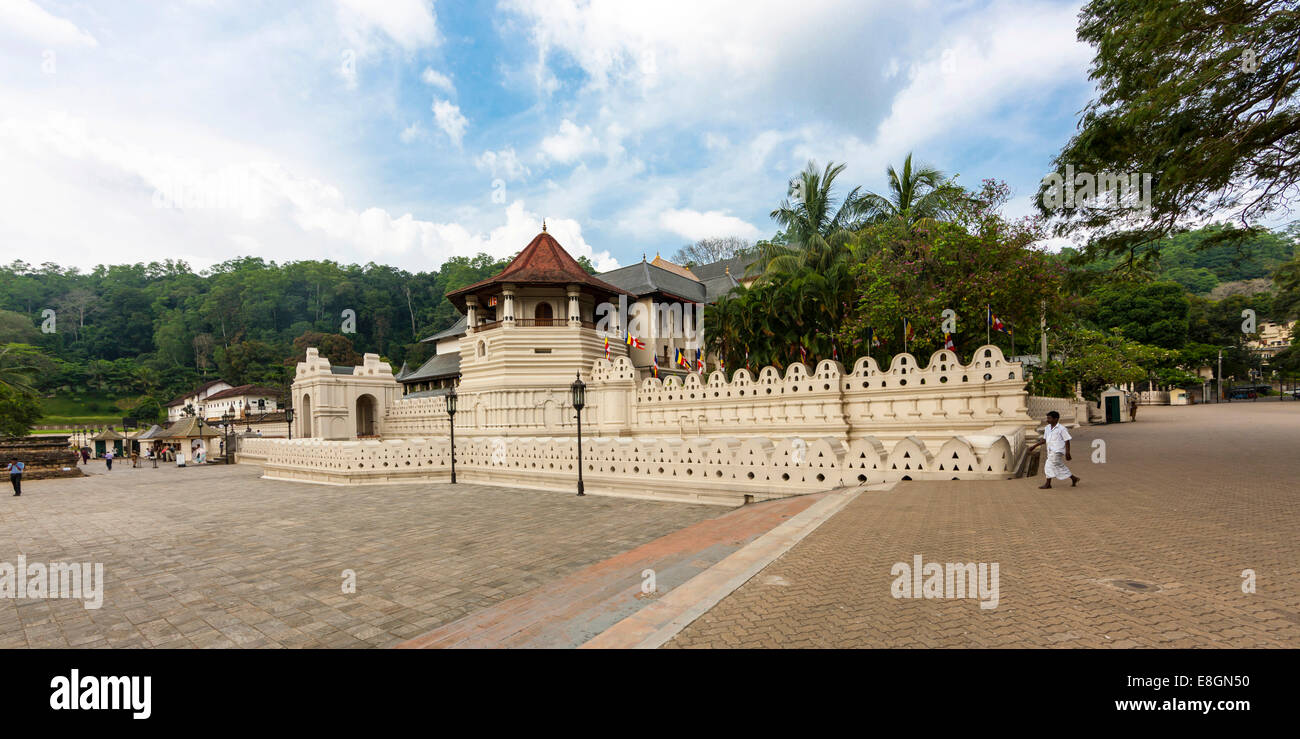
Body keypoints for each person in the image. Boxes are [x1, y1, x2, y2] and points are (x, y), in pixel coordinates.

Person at [1026, 410, 1079, 489]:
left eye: (1049, 418)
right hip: (1050, 450)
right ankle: (1073, 478)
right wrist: (1034, 446)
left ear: (1056, 419)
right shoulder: (1047, 428)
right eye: (1047, 418)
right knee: (1058, 465)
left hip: (1058, 450)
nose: (1047, 420)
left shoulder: (1062, 428)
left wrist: (1068, 452)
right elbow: (1044, 440)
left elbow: (1067, 440)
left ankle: (1048, 484)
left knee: (1048, 465)